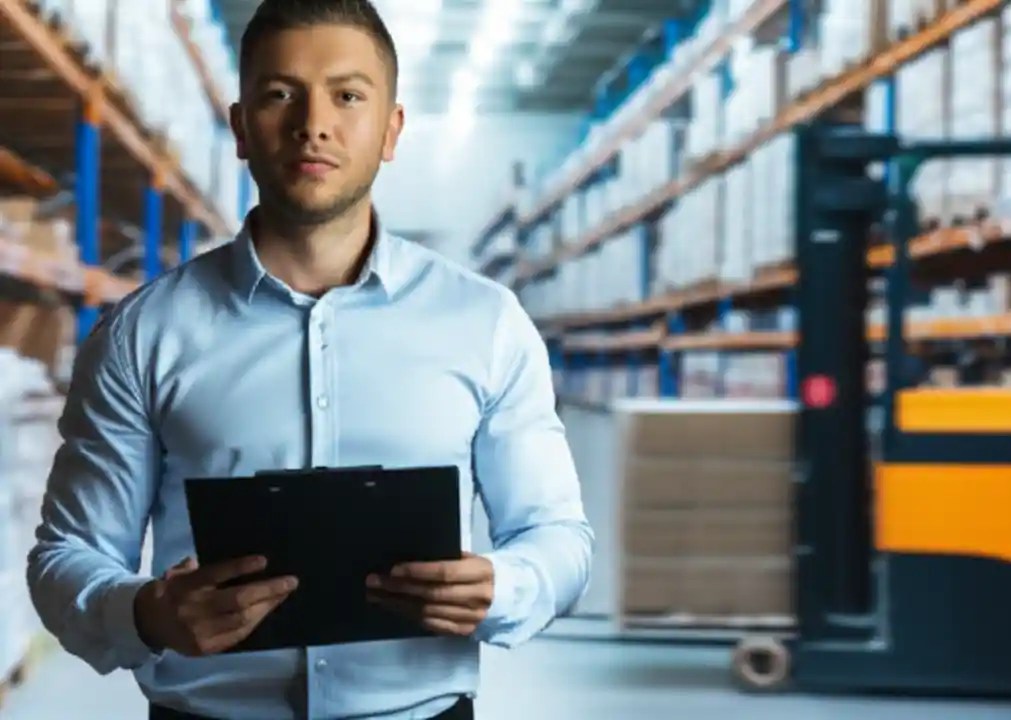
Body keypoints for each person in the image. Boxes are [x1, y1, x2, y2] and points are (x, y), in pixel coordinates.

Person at [26, 0, 594, 718]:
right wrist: (147, 613)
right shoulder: (143, 334)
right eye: (279, 94)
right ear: (239, 128)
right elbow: (64, 556)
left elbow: (559, 538)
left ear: (391, 130)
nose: (313, 124)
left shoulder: (484, 324)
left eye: (348, 95)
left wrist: (503, 586)